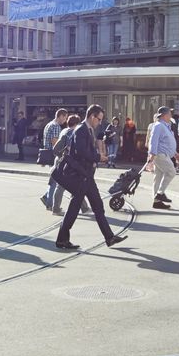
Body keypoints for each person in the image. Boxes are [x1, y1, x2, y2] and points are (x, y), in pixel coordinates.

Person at [55, 105, 124, 250]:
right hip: (81, 176)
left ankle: (109, 237)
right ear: (92, 116)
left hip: (86, 176)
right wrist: (99, 157)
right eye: (99, 119)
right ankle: (62, 239)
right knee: (77, 208)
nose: (99, 122)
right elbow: (81, 152)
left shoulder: (87, 129)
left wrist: (97, 157)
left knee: (97, 206)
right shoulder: (81, 130)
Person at [48, 115, 81, 213]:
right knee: (63, 186)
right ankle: (56, 208)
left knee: (73, 185)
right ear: (77, 124)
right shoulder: (72, 133)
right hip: (67, 162)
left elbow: (56, 149)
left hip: (60, 160)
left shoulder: (64, 131)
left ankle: (84, 207)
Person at [148, 106, 178, 209]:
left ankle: (157, 201)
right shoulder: (159, 125)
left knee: (158, 176)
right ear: (165, 115)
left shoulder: (165, 125)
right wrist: (152, 153)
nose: (171, 116)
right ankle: (160, 193)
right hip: (160, 154)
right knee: (171, 172)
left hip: (163, 154)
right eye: (170, 114)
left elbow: (166, 141)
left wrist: (174, 153)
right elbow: (153, 140)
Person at [40, 108, 69, 213]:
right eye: (65, 118)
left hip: (47, 153)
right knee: (55, 181)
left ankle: (46, 197)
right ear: (60, 116)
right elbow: (55, 142)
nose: (65, 120)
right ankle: (49, 204)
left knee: (53, 179)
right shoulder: (56, 126)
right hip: (53, 155)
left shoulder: (49, 124)